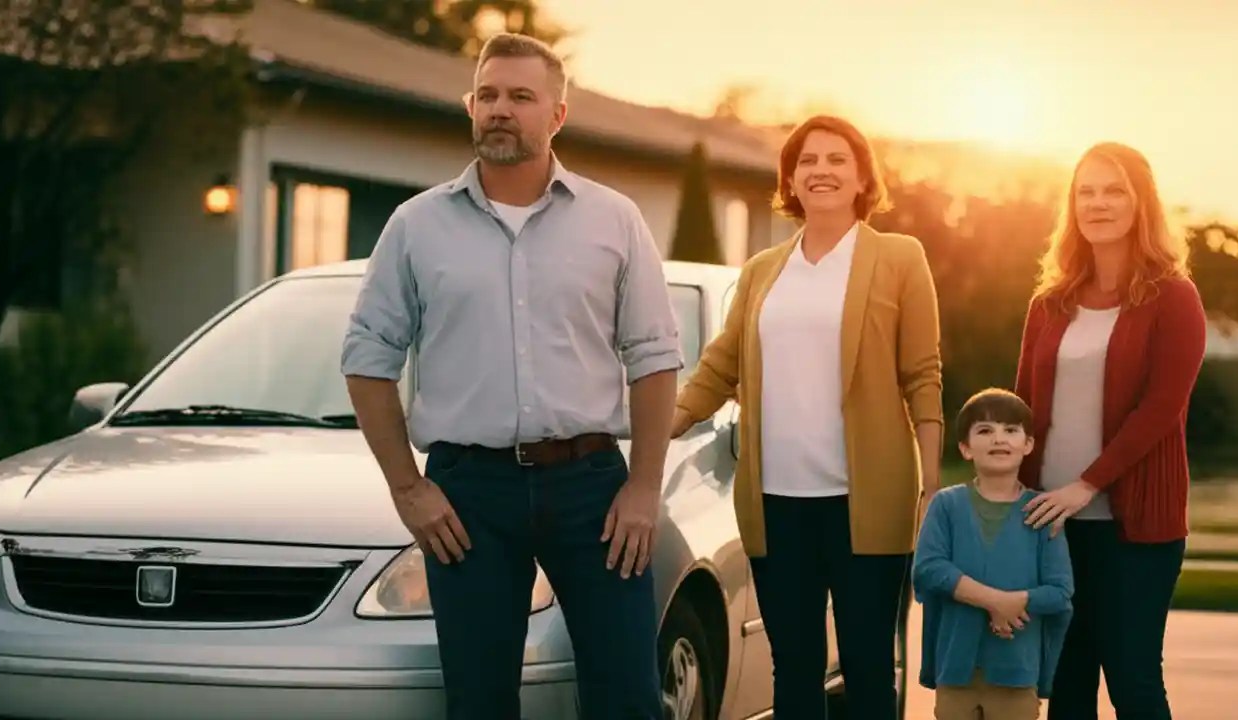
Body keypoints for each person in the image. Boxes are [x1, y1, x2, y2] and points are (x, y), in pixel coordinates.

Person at [340, 33, 681, 720]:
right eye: (487, 95)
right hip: (468, 497)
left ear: (556, 115)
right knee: (479, 701)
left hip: (593, 493)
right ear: (471, 107)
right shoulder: (416, 226)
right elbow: (366, 358)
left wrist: (643, 487)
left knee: (628, 698)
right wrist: (408, 489)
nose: (500, 109)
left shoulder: (614, 221)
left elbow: (653, 358)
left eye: (520, 97)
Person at [670, 114, 943, 719]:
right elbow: (719, 368)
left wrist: (928, 486)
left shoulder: (898, 258)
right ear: (790, 178)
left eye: (837, 159)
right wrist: (657, 425)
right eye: (807, 161)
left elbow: (922, 375)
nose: (821, 170)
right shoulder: (763, 270)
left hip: (867, 502)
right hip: (776, 504)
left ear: (862, 176)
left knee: (869, 667)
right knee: (792, 669)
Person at [1015, 141, 1206, 720]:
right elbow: (1022, 405)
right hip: (1050, 526)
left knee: (1133, 682)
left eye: (1114, 190)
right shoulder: (1049, 303)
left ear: (1141, 202)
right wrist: (1008, 498)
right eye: (1086, 192)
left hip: (1135, 529)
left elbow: (1161, 408)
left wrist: (1087, 484)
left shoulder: (1174, 297)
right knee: (1066, 687)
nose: (1098, 204)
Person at [914, 388, 1074, 720]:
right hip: (955, 670)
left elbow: (1060, 592)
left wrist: (1017, 601)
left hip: (1016, 671)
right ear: (965, 448)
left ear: (1027, 444)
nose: (998, 439)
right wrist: (994, 601)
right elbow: (928, 568)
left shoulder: (1042, 513)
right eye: (985, 431)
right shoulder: (947, 506)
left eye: (1010, 430)